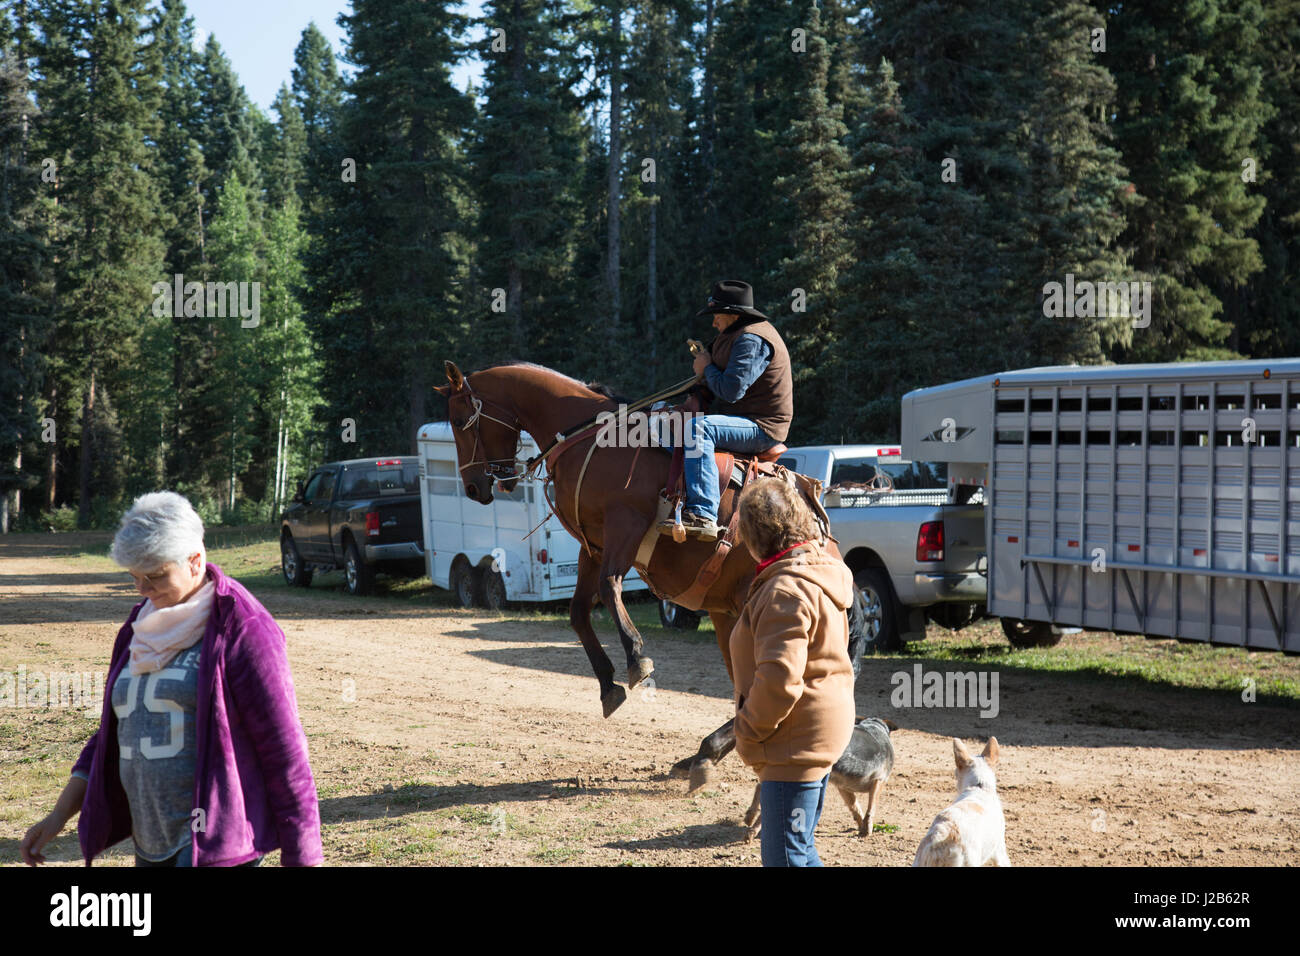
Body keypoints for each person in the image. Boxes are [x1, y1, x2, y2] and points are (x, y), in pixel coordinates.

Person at [20, 491, 322, 867]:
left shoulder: (244, 629)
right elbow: (114, 732)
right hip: (149, 843)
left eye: (156, 576)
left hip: (213, 848)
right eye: (134, 577)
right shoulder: (139, 626)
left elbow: (286, 754)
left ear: (195, 561)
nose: (142, 589)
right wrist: (58, 816)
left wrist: (303, 859)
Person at [731, 477, 855, 867]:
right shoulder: (819, 573)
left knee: (787, 858)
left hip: (793, 742)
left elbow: (780, 682)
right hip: (818, 732)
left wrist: (747, 731)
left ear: (753, 535)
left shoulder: (784, 589)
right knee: (799, 851)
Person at [660, 279, 793, 541]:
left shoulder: (752, 339)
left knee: (699, 429)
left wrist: (705, 369)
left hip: (763, 426)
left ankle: (703, 513)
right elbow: (715, 381)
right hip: (742, 419)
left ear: (732, 314)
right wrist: (691, 400)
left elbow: (731, 390)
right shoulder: (731, 335)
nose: (713, 323)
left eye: (716, 315)